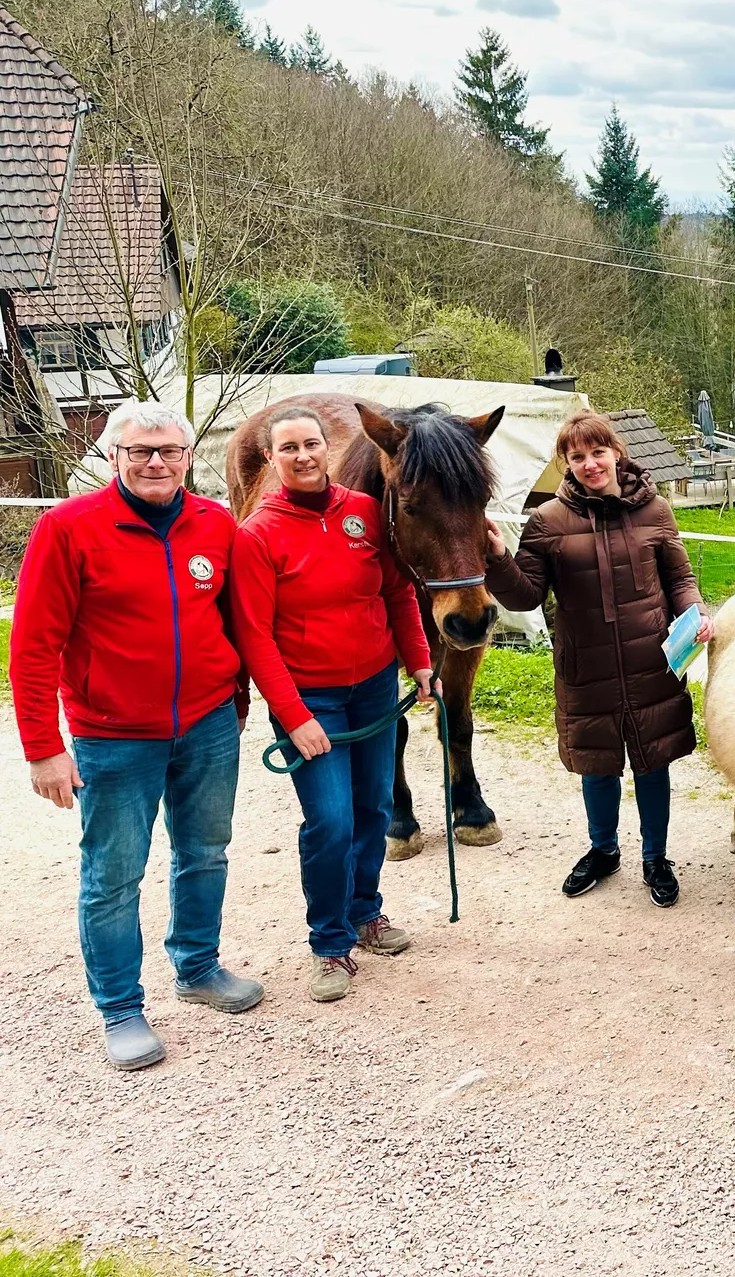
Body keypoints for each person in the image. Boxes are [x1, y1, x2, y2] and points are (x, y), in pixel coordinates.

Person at [9, 399, 263, 1069]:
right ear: (114, 458)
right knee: (113, 875)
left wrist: (236, 698)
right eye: (140, 452)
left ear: (186, 457)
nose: (156, 462)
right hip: (114, 736)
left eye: (168, 451)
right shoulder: (69, 529)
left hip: (206, 725)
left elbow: (239, 623)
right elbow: (34, 646)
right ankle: (120, 1008)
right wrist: (43, 748)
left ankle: (199, 968)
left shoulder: (215, 524)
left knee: (205, 851)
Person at [231, 407, 438, 1002]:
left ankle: (366, 911)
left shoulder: (366, 512)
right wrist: (294, 717)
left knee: (374, 806)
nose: (303, 456)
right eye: (288, 448)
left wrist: (419, 661)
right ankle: (328, 942)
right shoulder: (257, 535)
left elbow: (397, 592)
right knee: (330, 819)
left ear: (327, 448)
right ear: (270, 459)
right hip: (310, 696)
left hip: (372, 684)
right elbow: (254, 635)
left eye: (311, 444)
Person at [485, 410, 708, 907]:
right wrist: (498, 558)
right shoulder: (548, 521)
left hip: (652, 660)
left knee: (653, 762)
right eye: (578, 456)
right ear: (566, 462)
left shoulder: (655, 510)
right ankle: (603, 850)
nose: (590, 464)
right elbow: (523, 597)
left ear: (617, 452)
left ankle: (656, 857)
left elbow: (678, 577)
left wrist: (694, 612)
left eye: (598, 452)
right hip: (586, 667)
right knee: (597, 765)